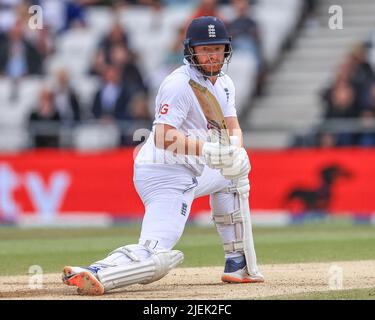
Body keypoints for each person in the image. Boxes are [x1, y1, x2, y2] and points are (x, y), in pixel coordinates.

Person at [62, 16, 264, 296]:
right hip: (163, 171)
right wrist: (208, 149)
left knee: (233, 174)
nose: (212, 55)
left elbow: (232, 125)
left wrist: (236, 150)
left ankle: (236, 262)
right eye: (205, 49)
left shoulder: (226, 83)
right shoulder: (178, 84)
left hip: (192, 168)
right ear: (191, 50)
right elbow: (162, 135)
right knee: (157, 249)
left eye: (217, 48)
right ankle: (96, 270)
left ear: (226, 50)